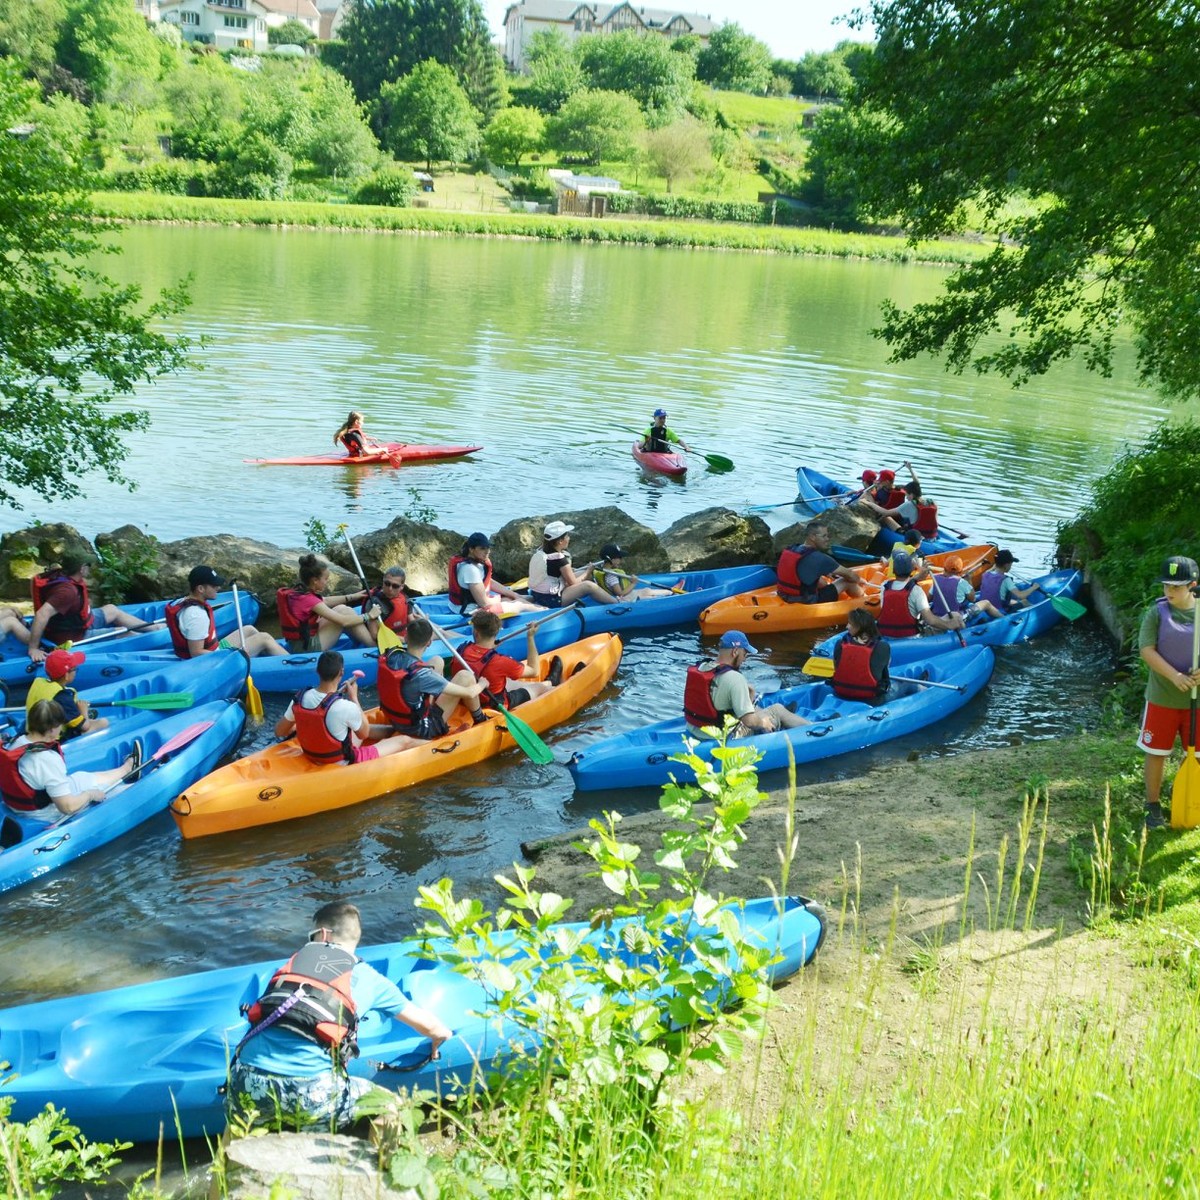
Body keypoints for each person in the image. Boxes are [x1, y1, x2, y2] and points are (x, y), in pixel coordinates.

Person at [226, 900, 453, 1133]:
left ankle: (224, 1162)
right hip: (311, 1094)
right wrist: (441, 1036)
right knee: (392, 1106)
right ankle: (381, 1164)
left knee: (236, 1127)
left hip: (245, 1081)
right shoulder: (370, 979)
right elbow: (431, 1028)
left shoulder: (290, 966)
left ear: (323, 934)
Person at [0, 700, 139, 823]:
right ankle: (137, 783)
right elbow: (68, 807)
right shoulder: (46, 759)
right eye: (60, 725)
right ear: (51, 729)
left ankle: (126, 770)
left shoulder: (17, 742)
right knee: (108, 792)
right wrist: (90, 794)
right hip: (45, 813)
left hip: (21, 806)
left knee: (81, 777)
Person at [1138, 556, 1200, 829]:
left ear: (1193, 585)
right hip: (1162, 698)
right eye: (1166, 585)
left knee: (1196, 754)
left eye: (1176, 586)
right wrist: (1174, 676)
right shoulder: (1156, 613)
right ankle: (1152, 805)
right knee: (1156, 752)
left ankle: (1187, 796)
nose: (1169, 592)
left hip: (1195, 703)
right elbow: (1146, 650)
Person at [276, 650, 417, 763]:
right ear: (341, 673)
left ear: (317, 671)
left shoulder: (299, 699)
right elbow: (364, 733)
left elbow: (280, 731)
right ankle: (432, 744)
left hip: (312, 754)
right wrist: (354, 698)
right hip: (341, 760)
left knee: (353, 726)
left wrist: (301, 725)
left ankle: (393, 731)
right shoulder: (346, 707)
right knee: (404, 740)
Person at [26, 556, 159, 664]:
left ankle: (156, 629)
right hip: (72, 636)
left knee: (112, 610)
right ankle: (156, 641)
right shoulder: (67, 592)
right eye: (88, 565)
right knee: (123, 633)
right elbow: (42, 614)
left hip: (79, 621)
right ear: (82, 569)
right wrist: (33, 648)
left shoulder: (59, 575)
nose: (90, 568)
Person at [684, 630, 810, 737]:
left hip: (695, 730)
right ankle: (816, 728)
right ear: (735, 652)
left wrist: (749, 695)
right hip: (723, 737)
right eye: (744, 654)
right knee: (777, 709)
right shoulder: (735, 678)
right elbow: (749, 721)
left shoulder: (702, 667)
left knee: (755, 708)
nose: (745, 659)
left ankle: (783, 719)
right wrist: (763, 723)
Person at [377, 617, 488, 736]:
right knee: (465, 676)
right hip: (420, 728)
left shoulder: (392, 657)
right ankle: (480, 719)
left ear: (406, 637)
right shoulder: (422, 674)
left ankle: (433, 704)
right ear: (429, 642)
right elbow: (469, 692)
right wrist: (482, 684)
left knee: (437, 661)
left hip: (396, 719)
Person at [166, 566, 287, 659]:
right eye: (214, 586)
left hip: (215, 650)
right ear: (200, 589)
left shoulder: (185, 600)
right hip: (214, 659)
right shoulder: (196, 615)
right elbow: (196, 653)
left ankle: (263, 658)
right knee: (264, 638)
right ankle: (292, 663)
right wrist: (231, 654)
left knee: (249, 629)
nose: (218, 588)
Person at [462, 610, 562, 709]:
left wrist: (489, 649)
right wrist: (530, 637)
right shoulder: (501, 661)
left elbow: (478, 662)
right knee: (540, 688)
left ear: (476, 633)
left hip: (475, 698)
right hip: (495, 704)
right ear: (496, 632)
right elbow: (534, 671)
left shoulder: (462, 650)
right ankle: (550, 685)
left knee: (507, 680)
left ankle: (550, 682)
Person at [277, 555, 373, 652]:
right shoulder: (308, 600)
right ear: (315, 580)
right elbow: (344, 621)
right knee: (345, 613)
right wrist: (369, 616)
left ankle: (359, 644)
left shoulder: (298, 592)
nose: (327, 582)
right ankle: (374, 647)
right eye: (325, 579)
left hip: (299, 643)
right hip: (306, 648)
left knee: (342, 608)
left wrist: (353, 596)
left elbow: (325, 601)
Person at [528, 521, 617, 608]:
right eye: (567, 536)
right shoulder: (560, 559)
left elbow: (552, 571)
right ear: (560, 541)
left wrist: (578, 571)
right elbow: (573, 583)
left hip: (537, 593)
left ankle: (604, 595)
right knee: (588, 585)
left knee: (580, 572)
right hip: (551, 600)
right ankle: (617, 602)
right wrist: (588, 571)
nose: (568, 538)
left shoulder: (541, 552)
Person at [877, 551, 966, 638]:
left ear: (893, 570)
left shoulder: (884, 586)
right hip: (911, 637)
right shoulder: (917, 591)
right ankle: (966, 636)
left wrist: (919, 577)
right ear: (912, 569)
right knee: (955, 615)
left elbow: (903, 586)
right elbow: (931, 620)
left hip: (886, 635)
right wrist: (949, 624)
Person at [447, 533, 540, 616]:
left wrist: (513, 594)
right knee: (520, 604)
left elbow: (487, 581)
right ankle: (545, 612)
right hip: (469, 611)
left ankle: (536, 607)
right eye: (482, 548)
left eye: (488, 548)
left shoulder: (475, 563)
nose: (487, 551)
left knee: (523, 598)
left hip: (470, 605)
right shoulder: (470, 569)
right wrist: (499, 598)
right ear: (471, 549)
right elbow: (484, 604)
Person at [776, 520, 866, 604]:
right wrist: (859, 580)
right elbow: (850, 575)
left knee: (822, 582)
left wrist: (826, 573)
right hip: (806, 600)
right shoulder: (820, 558)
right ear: (812, 537)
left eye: (827, 536)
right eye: (824, 536)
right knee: (847, 581)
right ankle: (864, 599)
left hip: (784, 595)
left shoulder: (792, 549)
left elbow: (800, 570)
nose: (827, 539)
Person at [24, 648, 108, 739]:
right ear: (66, 675)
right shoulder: (62, 696)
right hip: (53, 739)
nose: (76, 671)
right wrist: (84, 711)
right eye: (75, 669)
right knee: (103, 722)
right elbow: (84, 726)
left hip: (33, 732)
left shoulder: (39, 683)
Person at [831, 609, 892, 705]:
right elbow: (884, 670)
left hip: (841, 694)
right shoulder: (882, 647)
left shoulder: (840, 644)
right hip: (871, 700)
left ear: (859, 627)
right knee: (906, 686)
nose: (847, 626)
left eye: (850, 623)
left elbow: (836, 668)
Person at [929, 555, 1003, 623]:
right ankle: (1006, 619)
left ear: (944, 568)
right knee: (986, 603)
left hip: (937, 616)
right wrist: (969, 580)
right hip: (956, 618)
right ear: (960, 571)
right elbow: (973, 599)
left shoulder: (936, 580)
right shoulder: (962, 582)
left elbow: (929, 599)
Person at [597, 544, 683, 600]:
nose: (621, 560)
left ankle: (670, 592)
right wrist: (633, 583)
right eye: (619, 557)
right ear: (611, 559)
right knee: (648, 596)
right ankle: (671, 595)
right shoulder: (611, 575)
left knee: (647, 590)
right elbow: (620, 594)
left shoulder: (601, 569)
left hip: (626, 595)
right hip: (625, 599)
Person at [977, 550, 1043, 613]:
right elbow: (1021, 596)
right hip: (999, 610)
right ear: (1006, 565)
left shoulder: (985, 574)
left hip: (987, 608)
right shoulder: (1006, 580)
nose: (1011, 566)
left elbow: (991, 570)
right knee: (1024, 601)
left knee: (1013, 601)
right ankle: (1040, 611)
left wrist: (994, 567)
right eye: (1011, 564)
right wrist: (1034, 587)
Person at [363, 566, 411, 642]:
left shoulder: (404, 598)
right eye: (387, 583)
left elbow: (412, 621)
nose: (390, 588)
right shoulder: (374, 602)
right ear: (383, 581)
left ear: (402, 587)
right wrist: (404, 640)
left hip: (403, 636)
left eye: (395, 586)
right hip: (385, 642)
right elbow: (375, 634)